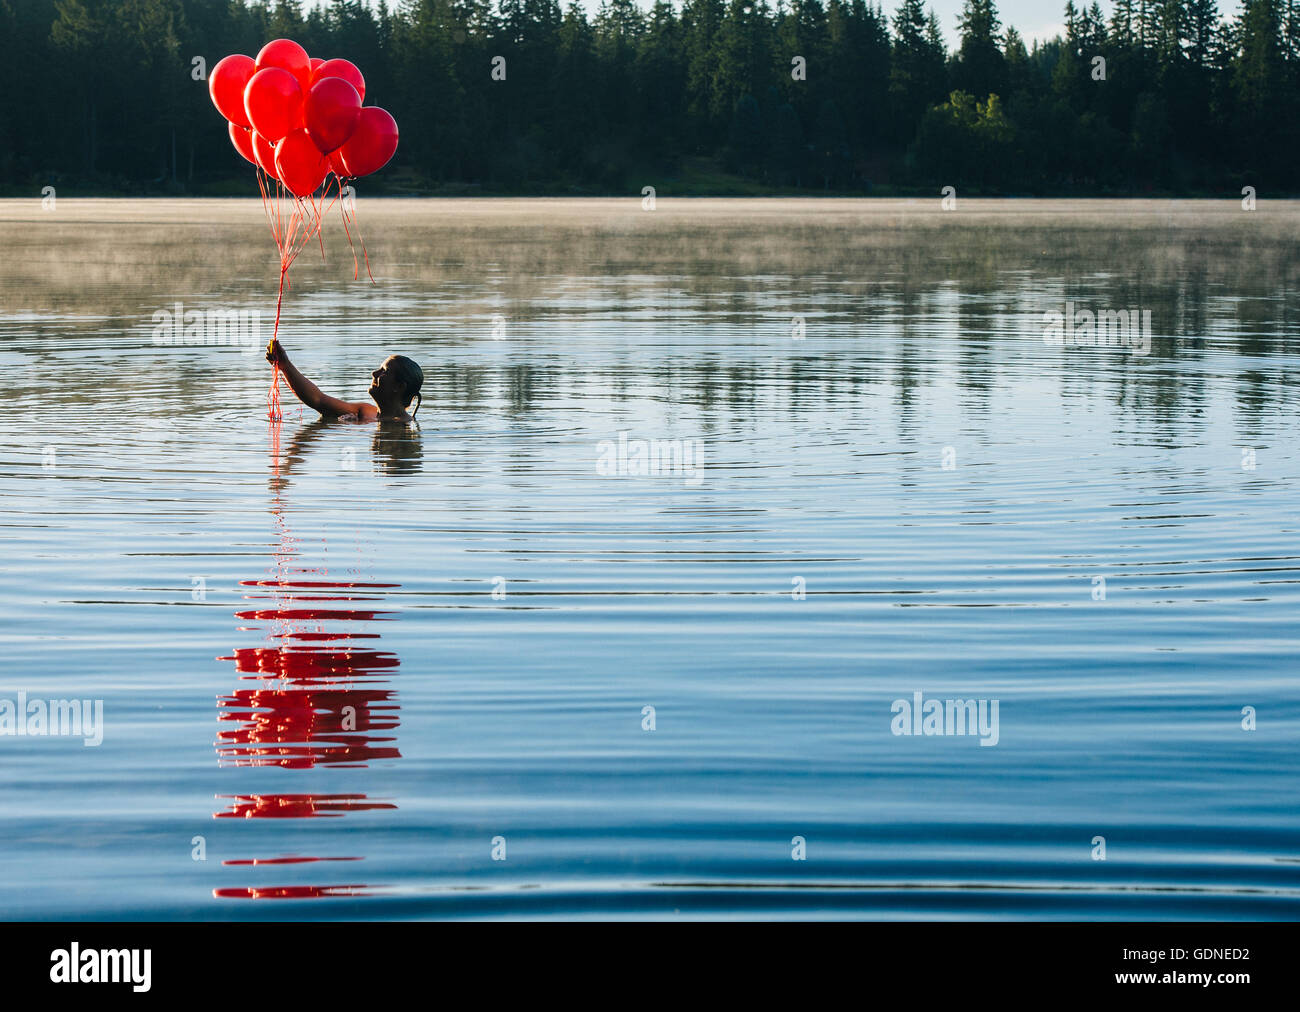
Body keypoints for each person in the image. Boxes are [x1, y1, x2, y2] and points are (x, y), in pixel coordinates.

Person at [265, 339, 423, 422]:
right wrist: (285, 366)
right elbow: (318, 400)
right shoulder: (366, 413)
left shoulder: (403, 426)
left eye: (384, 372)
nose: (374, 373)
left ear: (399, 386)